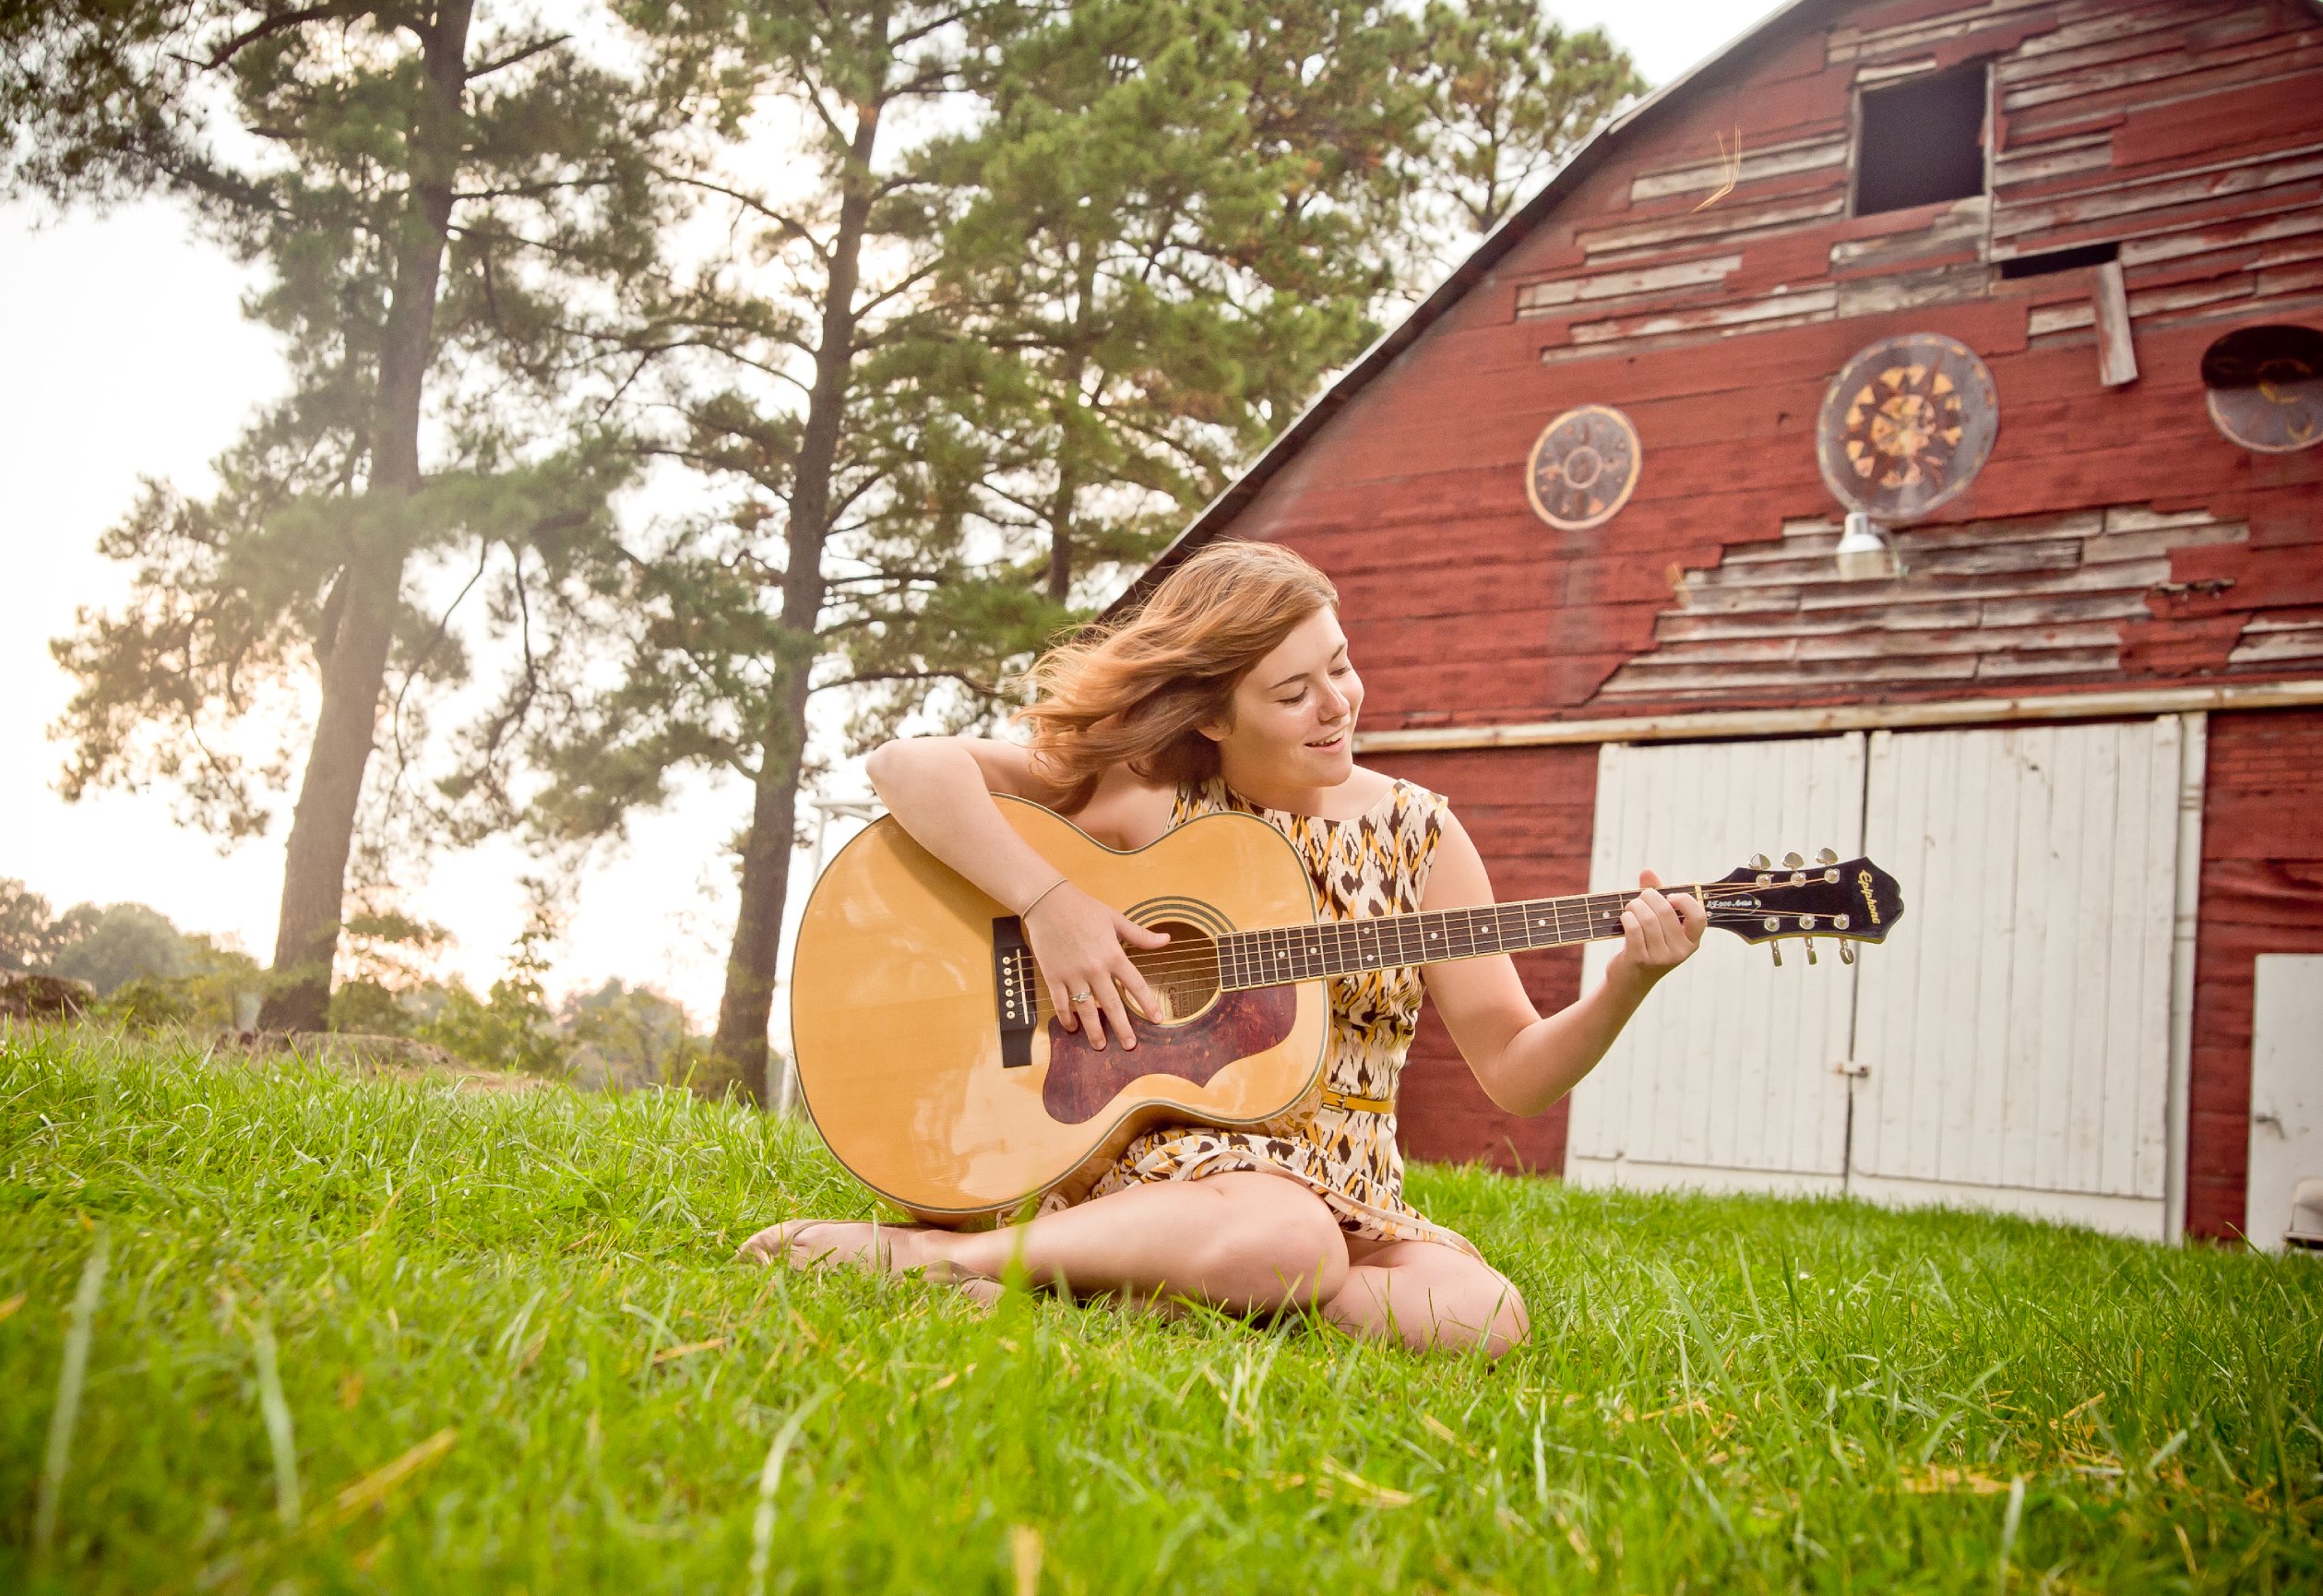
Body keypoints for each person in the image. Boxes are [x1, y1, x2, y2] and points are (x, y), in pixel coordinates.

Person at [742, 542, 1705, 1355]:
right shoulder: (1152, 794)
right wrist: (1049, 902)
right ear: (1212, 713)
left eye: (1340, 663)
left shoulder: (1419, 834)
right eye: (1294, 690)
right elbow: (906, 766)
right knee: (1284, 1232)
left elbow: (1515, 1072)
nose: (1337, 702)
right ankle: (938, 1260)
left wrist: (1627, 980)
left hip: (1347, 1184)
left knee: (1485, 1313)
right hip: (1167, 1157)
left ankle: (1134, 1287)